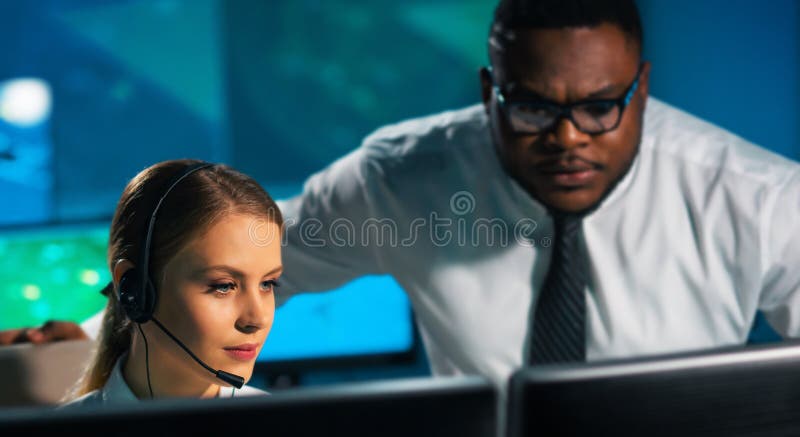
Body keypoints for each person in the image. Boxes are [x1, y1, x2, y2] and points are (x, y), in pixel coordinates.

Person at [4, 0, 799, 392]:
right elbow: (232, 264)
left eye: (600, 107)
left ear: (642, 90)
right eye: (532, 106)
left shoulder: (758, 198)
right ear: (489, 92)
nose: (567, 137)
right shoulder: (403, 180)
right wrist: (91, 334)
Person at [63, 159, 283, 406]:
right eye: (223, 286)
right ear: (134, 288)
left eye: (268, 284)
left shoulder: (289, 422)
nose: (256, 319)